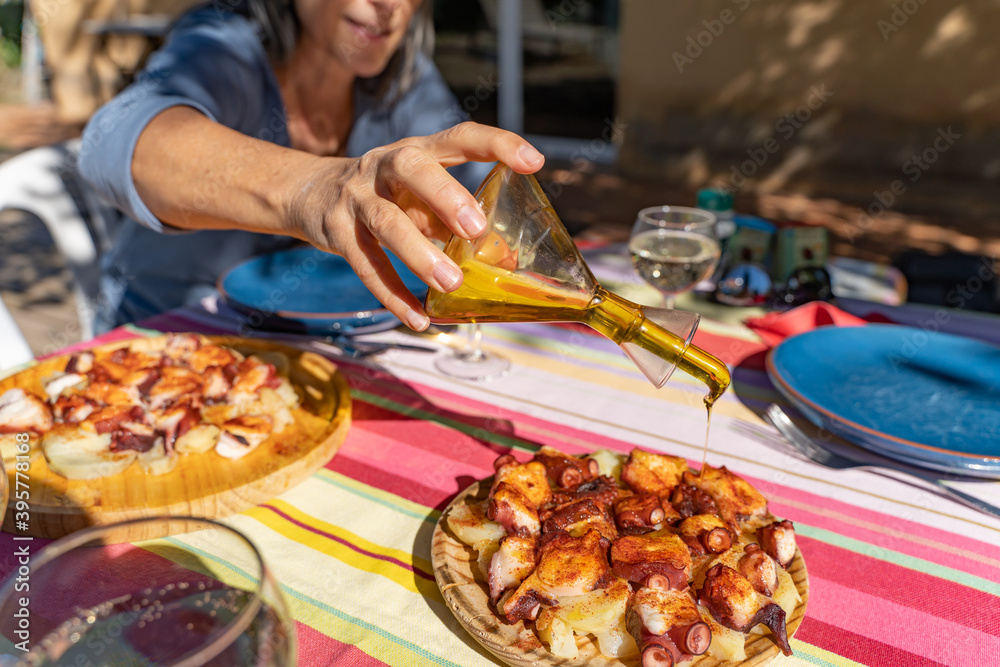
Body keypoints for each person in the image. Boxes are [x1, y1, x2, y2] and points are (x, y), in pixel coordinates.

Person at [78, 0, 544, 333]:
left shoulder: (404, 79)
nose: (389, 5)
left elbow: (474, 206)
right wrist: (317, 188)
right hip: (163, 340)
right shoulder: (225, 43)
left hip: (316, 351)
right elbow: (111, 141)